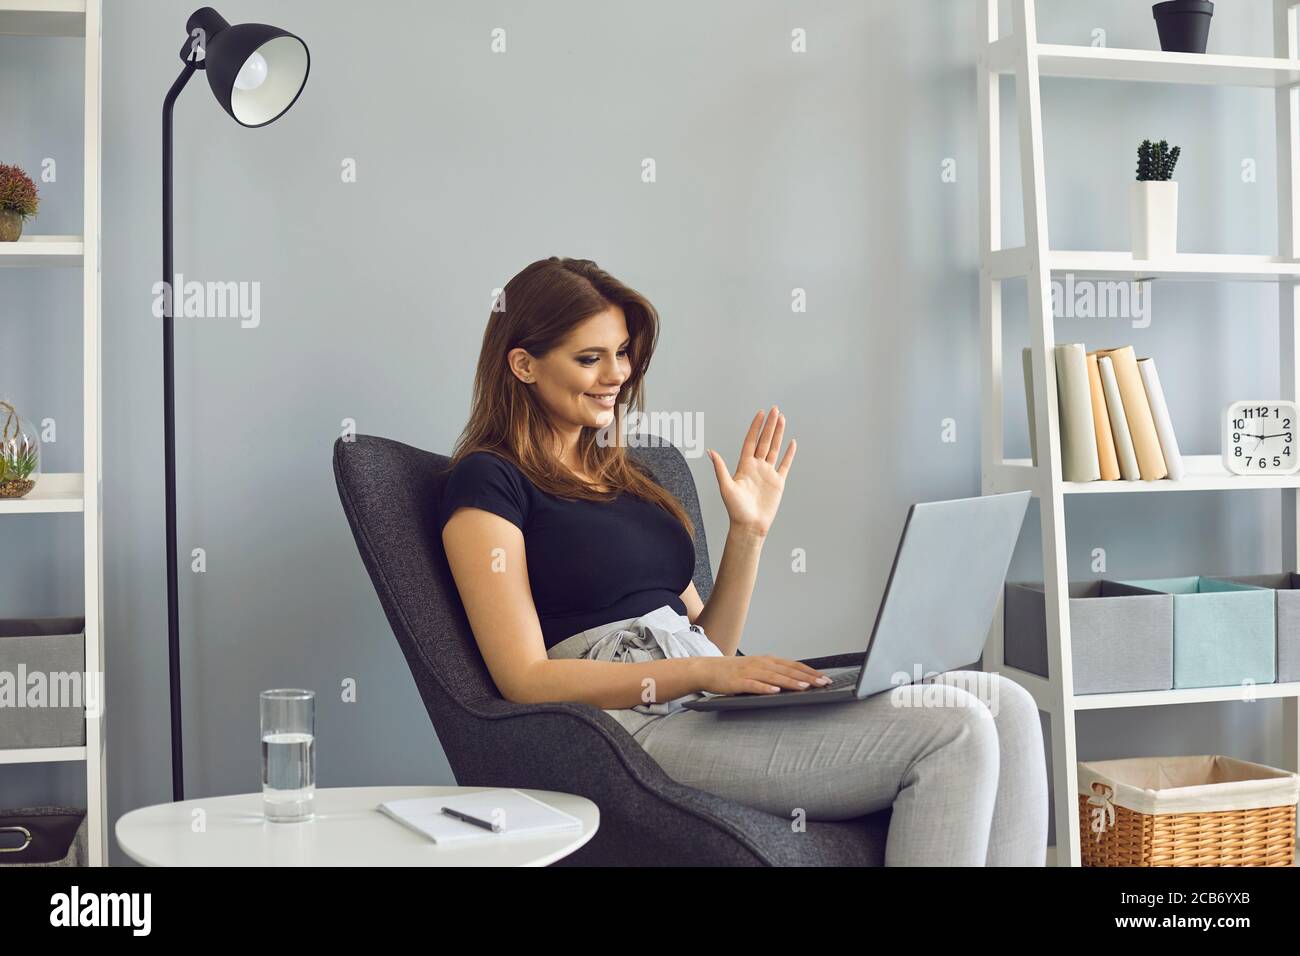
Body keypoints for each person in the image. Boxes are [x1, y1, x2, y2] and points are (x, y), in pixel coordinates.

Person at [439, 256, 1047, 866]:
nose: (616, 375)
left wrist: (748, 533)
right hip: (627, 731)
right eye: (589, 357)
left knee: (1006, 705)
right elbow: (524, 677)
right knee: (958, 729)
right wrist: (706, 675)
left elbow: (712, 643)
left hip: (705, 703)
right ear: (523, 363)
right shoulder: (488, 482)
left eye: (622, 353)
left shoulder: (632, 478)